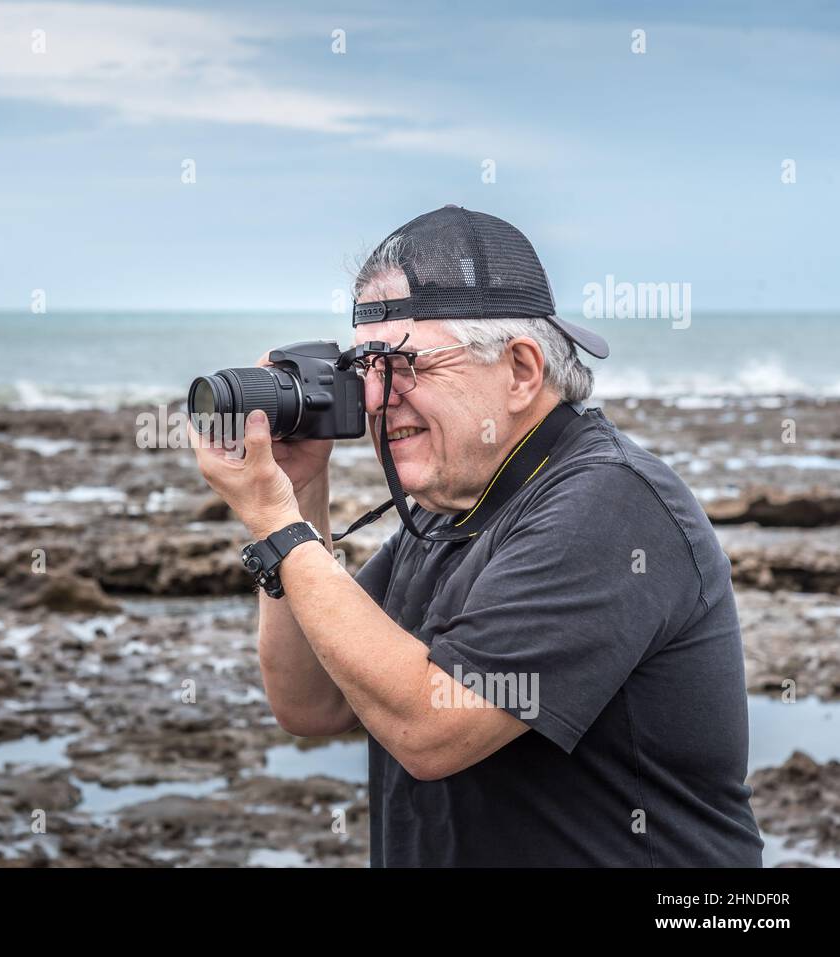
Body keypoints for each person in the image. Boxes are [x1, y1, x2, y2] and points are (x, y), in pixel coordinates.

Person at [190, 205, 763, 866]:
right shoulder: (448, 508)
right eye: (363, 368)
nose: (375, 398)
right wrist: (299, 495)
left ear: (521, 370)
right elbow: (311, 700)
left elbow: (431, 727)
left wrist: (280, 528)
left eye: (402, 364)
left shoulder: (611, 505)